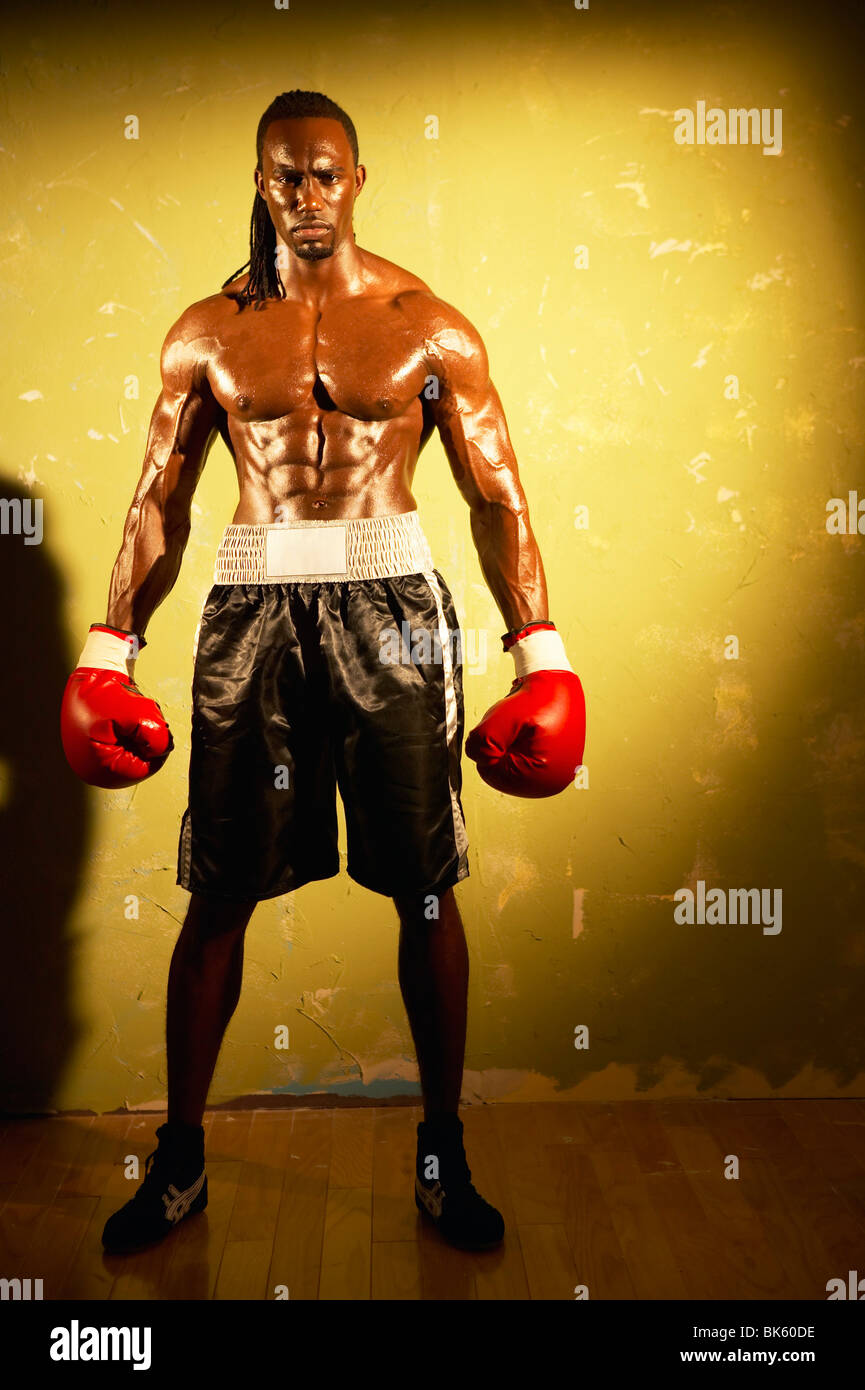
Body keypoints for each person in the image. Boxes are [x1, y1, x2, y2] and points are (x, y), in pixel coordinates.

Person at [61, 89, 585, 1260]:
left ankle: (442, 1158)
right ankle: (182, 1159)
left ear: (359, 179)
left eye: (326, 174)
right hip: (251, 609)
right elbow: (160, 498)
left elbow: (497, 494)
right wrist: (110, 646)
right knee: (218, 891)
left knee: (428, 888)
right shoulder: (206, 331)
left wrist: (537, 649)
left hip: (393, 607)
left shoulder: (426, 325)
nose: (306, 195)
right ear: (260, 183)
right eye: (285, 176)